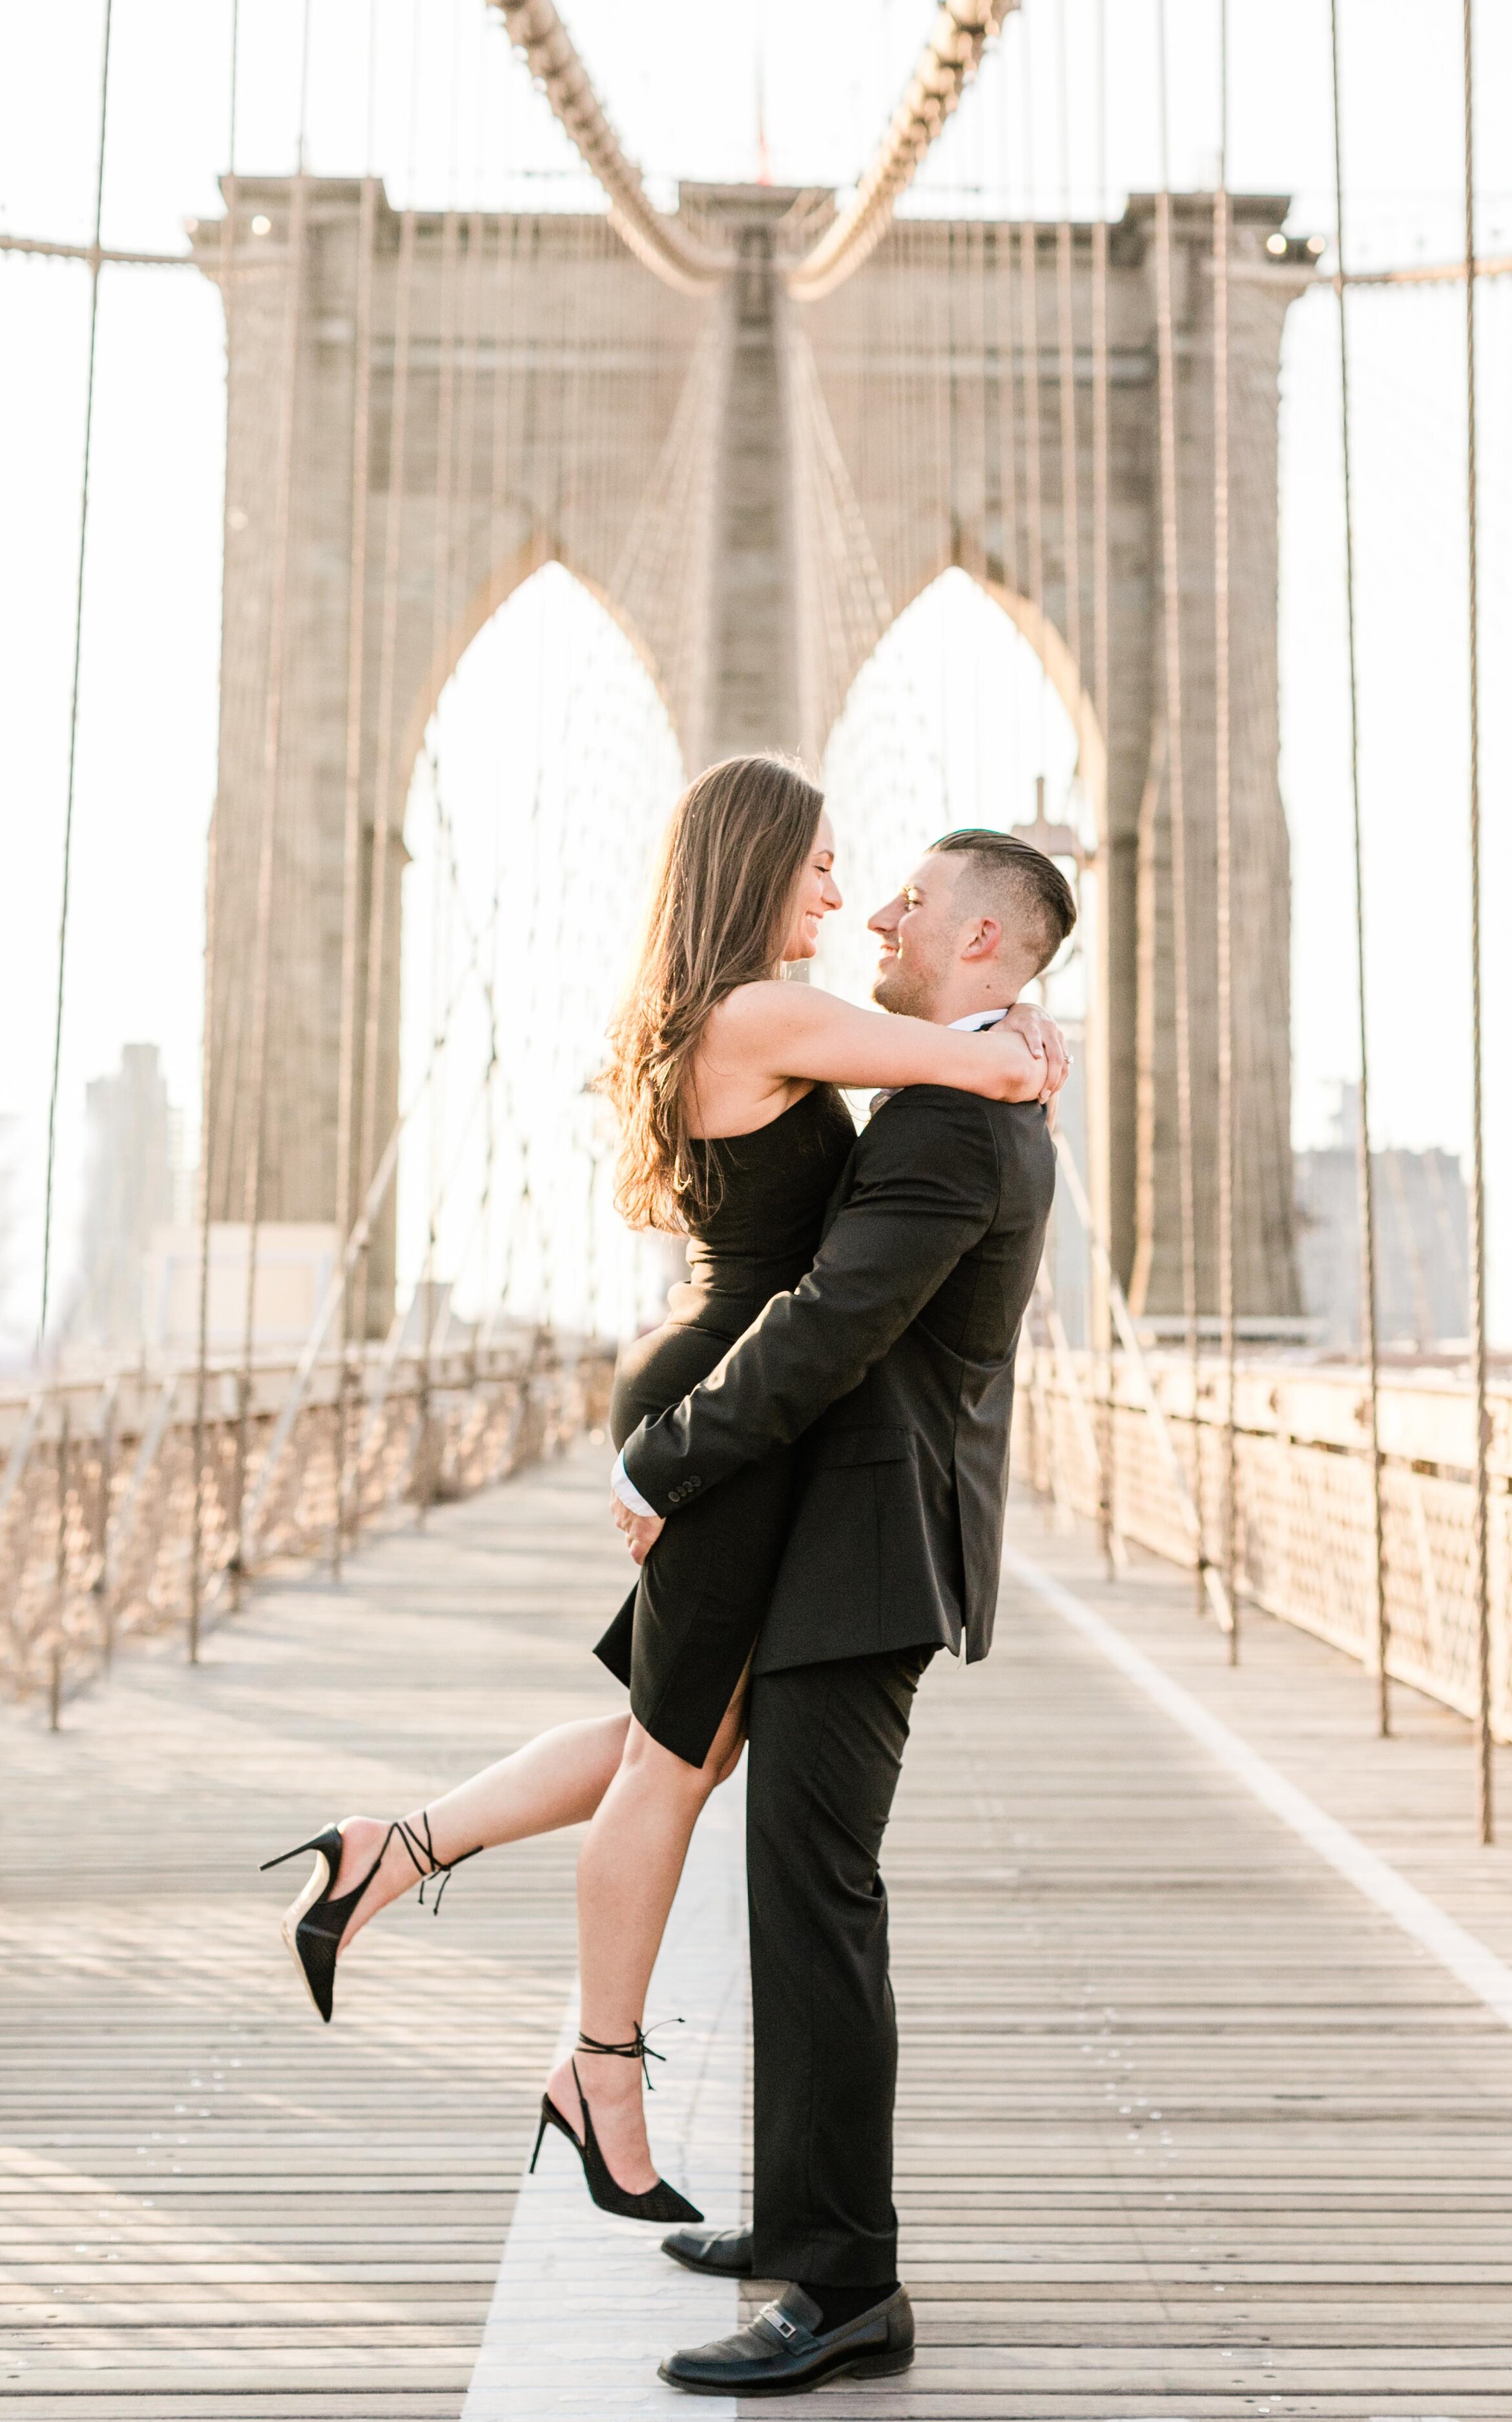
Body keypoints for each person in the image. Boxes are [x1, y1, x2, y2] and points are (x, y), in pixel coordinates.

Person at [262, 754, 1068, 2229]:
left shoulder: (725, 1011)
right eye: (822, 864)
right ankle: (599, 2072)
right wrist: (1017, 1038)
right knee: (674, 1764)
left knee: (675, 1730)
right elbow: (984, 1069)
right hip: (721, 1411)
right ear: (759, 868)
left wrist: (998, 1029)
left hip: (712, 1384)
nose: (841, 892)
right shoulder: (766, 1012)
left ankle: (394, 1848)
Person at [606, 824, 1075, 2396]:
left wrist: (672, 1455)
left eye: (913, 902)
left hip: (871, 1545)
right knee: (796, 1891)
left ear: (983, 950)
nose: (874, 908)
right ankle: (800, 2219)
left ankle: (842, 2283)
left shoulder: (949, 1121)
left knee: (816, 1901)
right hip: (846, 1537)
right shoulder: (954, 1076)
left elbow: (832, 1320)